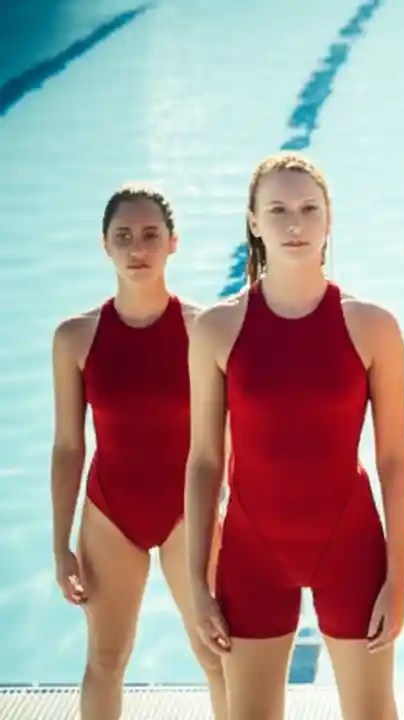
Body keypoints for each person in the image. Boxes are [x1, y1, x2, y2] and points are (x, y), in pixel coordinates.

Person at [185, 151, 404, 719]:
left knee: (372, 713)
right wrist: (196, 577)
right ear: (254, 220)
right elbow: (204, 462)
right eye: (279, 210)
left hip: (351, 543)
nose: (294, 224)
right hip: (251, 550)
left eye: (309, 209)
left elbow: (394, 460)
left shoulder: (372, 325)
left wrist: (399, 577)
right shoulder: (217, 328)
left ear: (329, 219)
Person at [49, 184, 227, 720]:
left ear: (173, 242)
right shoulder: (75, 338)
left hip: (187, 513)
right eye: (123, 236)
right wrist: (61, 545)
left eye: (150, 235)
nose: (137, 247)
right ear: (104, 245)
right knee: (106, 657)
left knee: (215, 653)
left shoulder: (204, 329)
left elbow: (228, 439)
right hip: (110, 512)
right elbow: (67, 446)